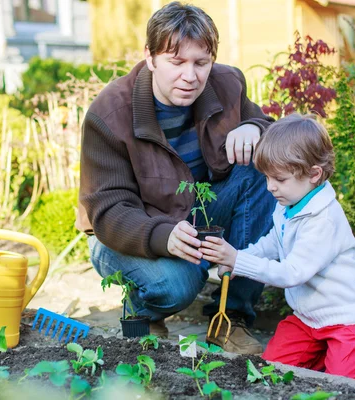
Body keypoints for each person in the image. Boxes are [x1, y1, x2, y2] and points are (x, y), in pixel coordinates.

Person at [76, 1, 276, 354]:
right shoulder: (109, 114)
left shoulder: (227, 85)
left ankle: (230, 318)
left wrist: (253, 127)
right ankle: (142, 310)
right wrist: (161, 236)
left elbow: (269, 132)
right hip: (127, 232)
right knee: (179, 283)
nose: (191, 76)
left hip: (196, 215)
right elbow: (107, 212)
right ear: (151, 58)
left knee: (260, 172)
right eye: (176, 61)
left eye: (201, 62)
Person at [199, 114, 355, 380]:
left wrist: (238, 260)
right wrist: (242, 258)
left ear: (314, 174)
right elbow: (273, 242)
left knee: (343, 381)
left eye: (280, 179)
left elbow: (292, 273)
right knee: (273, 369)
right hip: (308, 318)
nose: (270, 187)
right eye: (267, 178)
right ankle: (330, 354)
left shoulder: (324, 219)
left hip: (345, 319)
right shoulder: (289, 204)